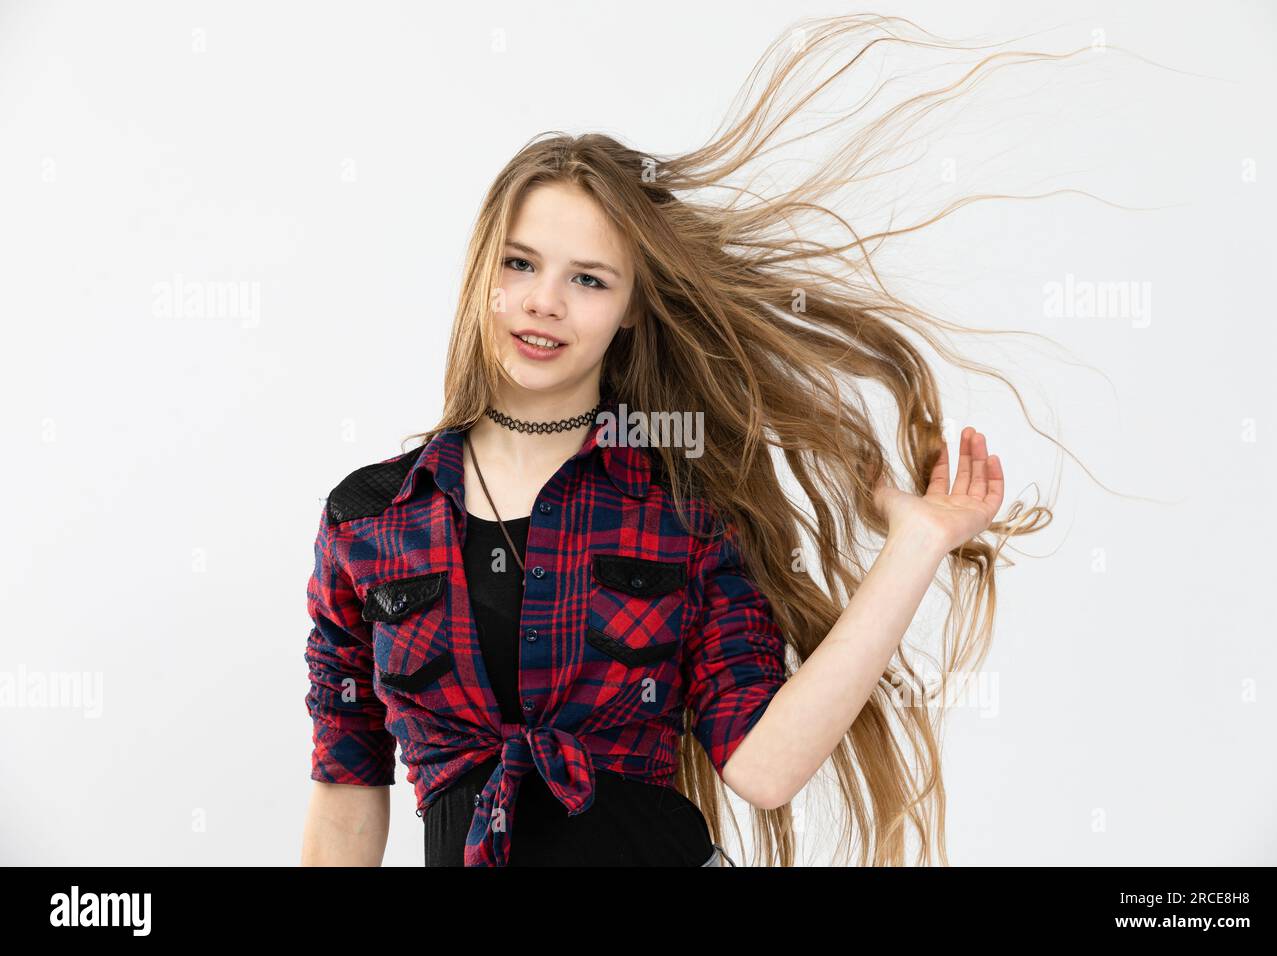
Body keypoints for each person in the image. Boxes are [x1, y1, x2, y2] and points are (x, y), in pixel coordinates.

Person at [301, 13, 1056, 867]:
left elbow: (765, 768)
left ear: (628, 309)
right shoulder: (366, 519)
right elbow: (345, 791)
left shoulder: (683, 508)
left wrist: (916, 543)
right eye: (520, 264)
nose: (545, 300)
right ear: (484, 275)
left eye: (588, 279)